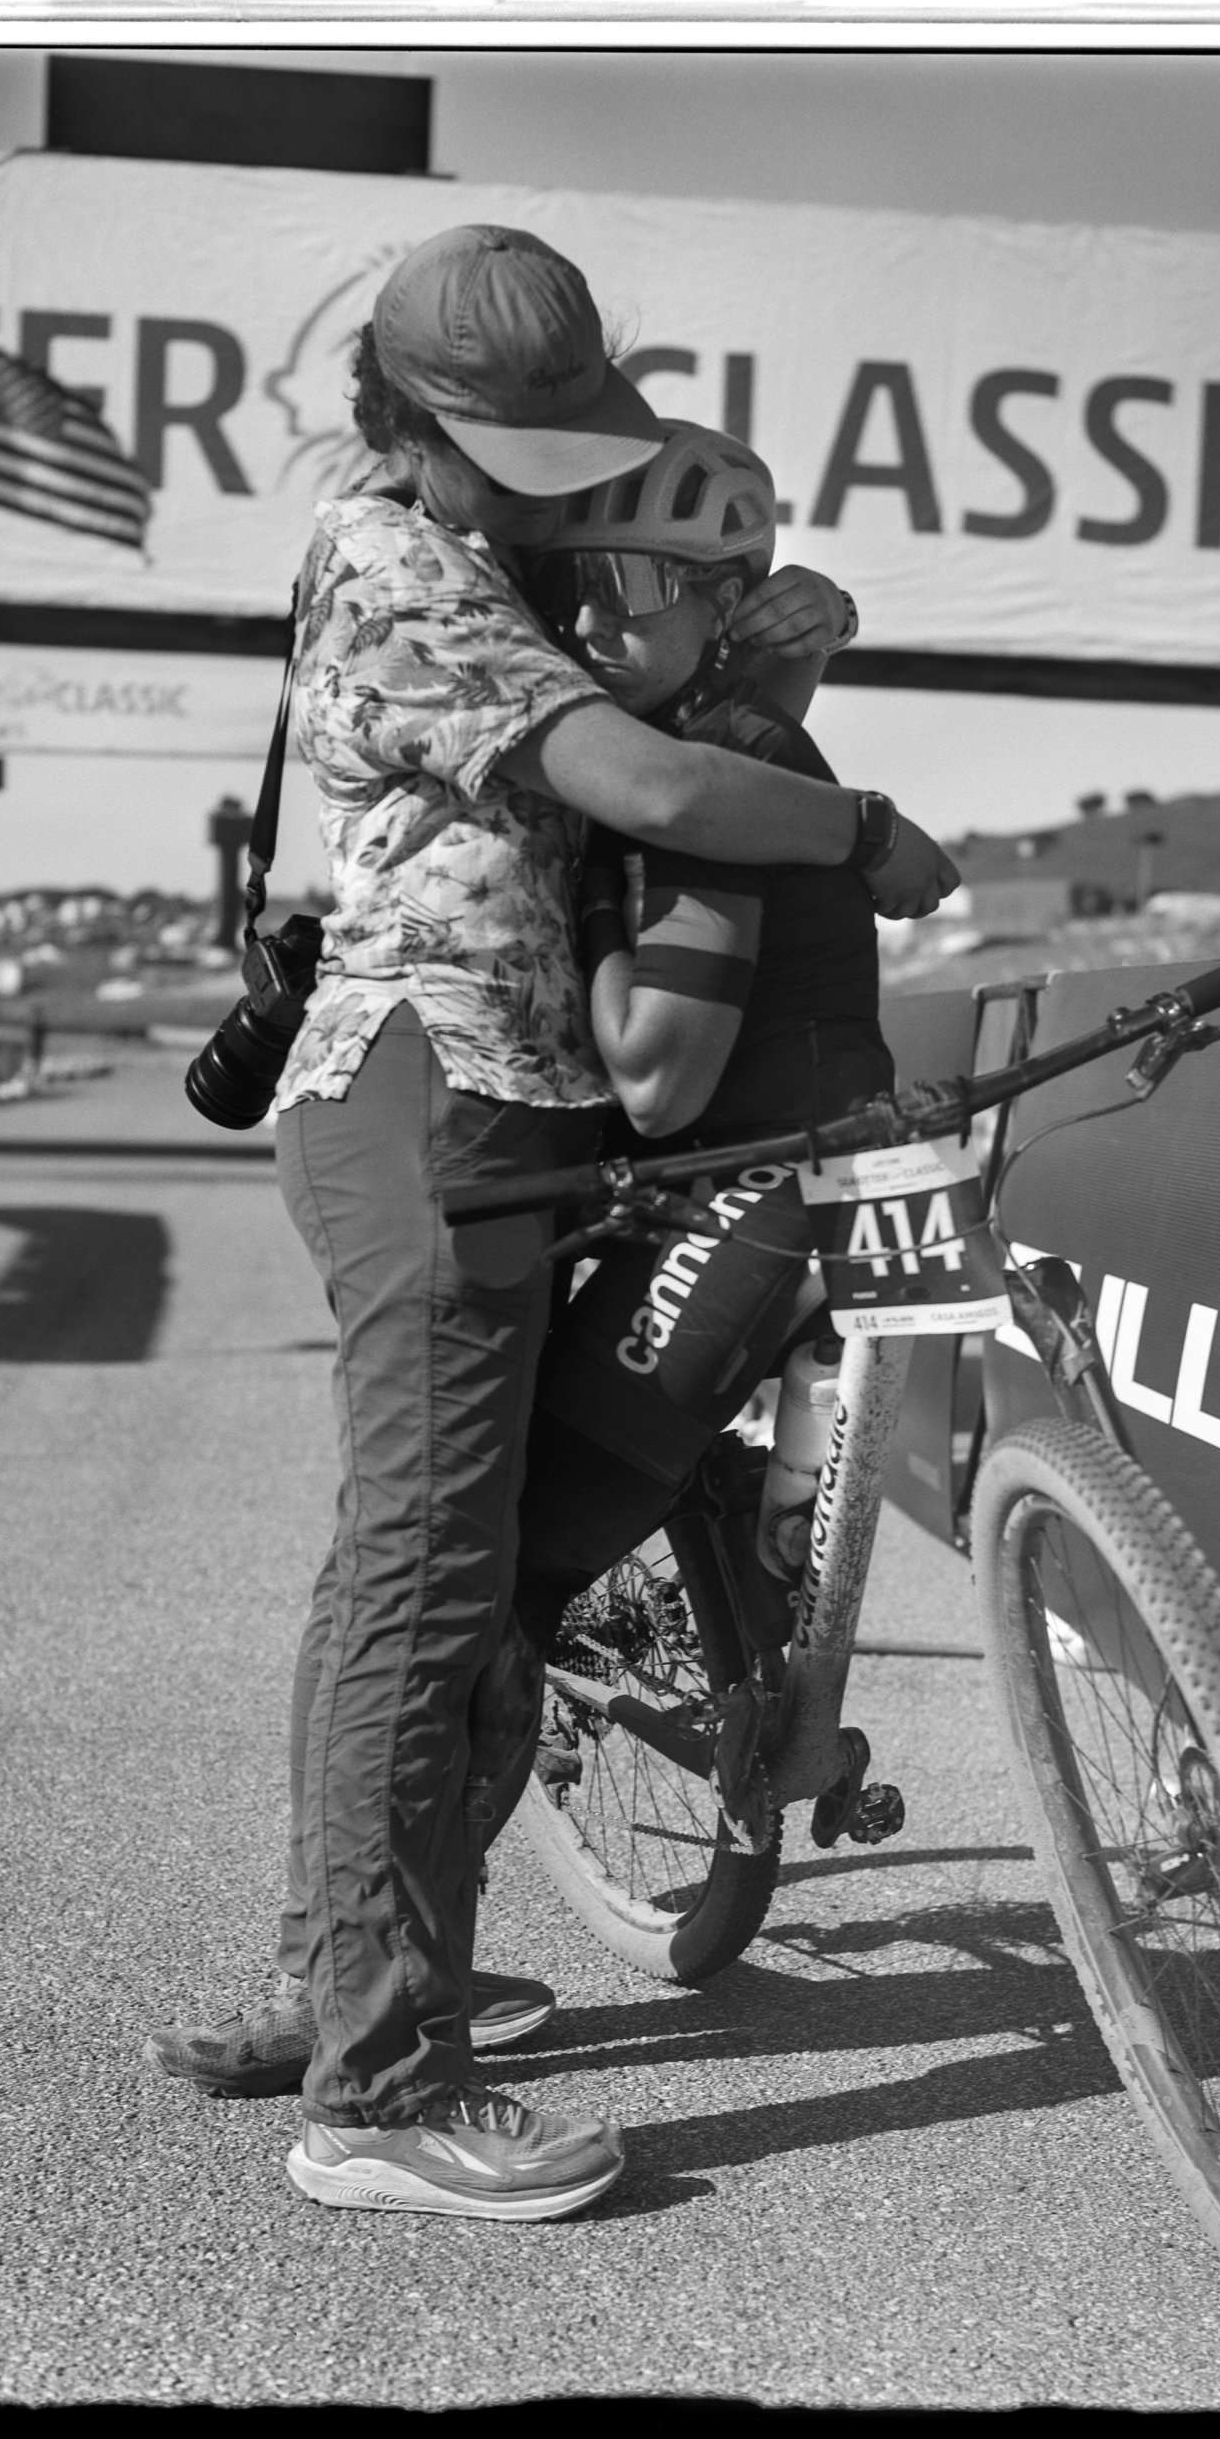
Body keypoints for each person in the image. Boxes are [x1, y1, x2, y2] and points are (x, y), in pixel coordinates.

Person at [143, 224, 955, 2226]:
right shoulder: (394, 561)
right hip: (427, 1098)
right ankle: (380, 2090)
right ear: (403, 420)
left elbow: (648, 740)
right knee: (430, 1583)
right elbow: (636, 782)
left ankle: (337, 1979)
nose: (547, 484)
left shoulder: (498, 554)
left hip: (519, 1108)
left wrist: (763, 659)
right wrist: (856, 824)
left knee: (447, 1574)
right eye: (512, 449)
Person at [443, 418, 895, 1868]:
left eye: (626, 583)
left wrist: (580, 907)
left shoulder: (705, 765)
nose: (586, 621)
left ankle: (394, 1957)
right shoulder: (711, 721)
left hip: (763, 1176)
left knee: (497, 1571)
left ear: (719, 599)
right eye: (566, 583)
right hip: (793, 1161)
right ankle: (748, 1628)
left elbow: (654, 1073)